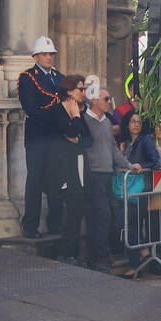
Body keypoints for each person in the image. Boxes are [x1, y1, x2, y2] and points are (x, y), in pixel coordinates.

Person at [84, 84, 141, 273]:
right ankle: (98, 257)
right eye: (106, 99)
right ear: (94, 101)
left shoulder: (107, 122)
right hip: (93, 174)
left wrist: (127, 164)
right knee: (102, 214)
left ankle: (104, 253)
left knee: (108, 214)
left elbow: (113, 149)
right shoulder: (85, 120)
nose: (109, 102)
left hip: (107, 174)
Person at [17, 36, 65, 240]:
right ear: (36, 56)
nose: (48, 57)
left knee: (56, 180)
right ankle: (30, 226)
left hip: (55, 137)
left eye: (51, 54)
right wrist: (57, 119)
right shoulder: (28, 77)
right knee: (35, 181)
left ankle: (54, 224)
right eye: (45, 54)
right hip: (38, 137)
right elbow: (32, 108)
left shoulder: (59, 77)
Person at [118, 114, 161, 276]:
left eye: (139, 122)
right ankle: (137, 261)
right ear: (127, 124)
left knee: (124, 223)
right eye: (132, 121)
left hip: (141, 191)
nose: (136, 125)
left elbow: (156, 161)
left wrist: (141, 165)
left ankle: (141, 256)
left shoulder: (145, 140)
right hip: (127, 191)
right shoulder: (126, 142)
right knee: (129, 226)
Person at [55, 75, 92, 265]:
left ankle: (74, 252)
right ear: (69, 91)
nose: (84, 93)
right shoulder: (59, 111)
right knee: (72, 210)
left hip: (80, 166)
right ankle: (67, 252)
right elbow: (69, 132)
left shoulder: (80, 111)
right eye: (80, 89)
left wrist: (77, 135)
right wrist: (75, 118)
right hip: (65, 167)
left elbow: (87, 139)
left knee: (79, 210)